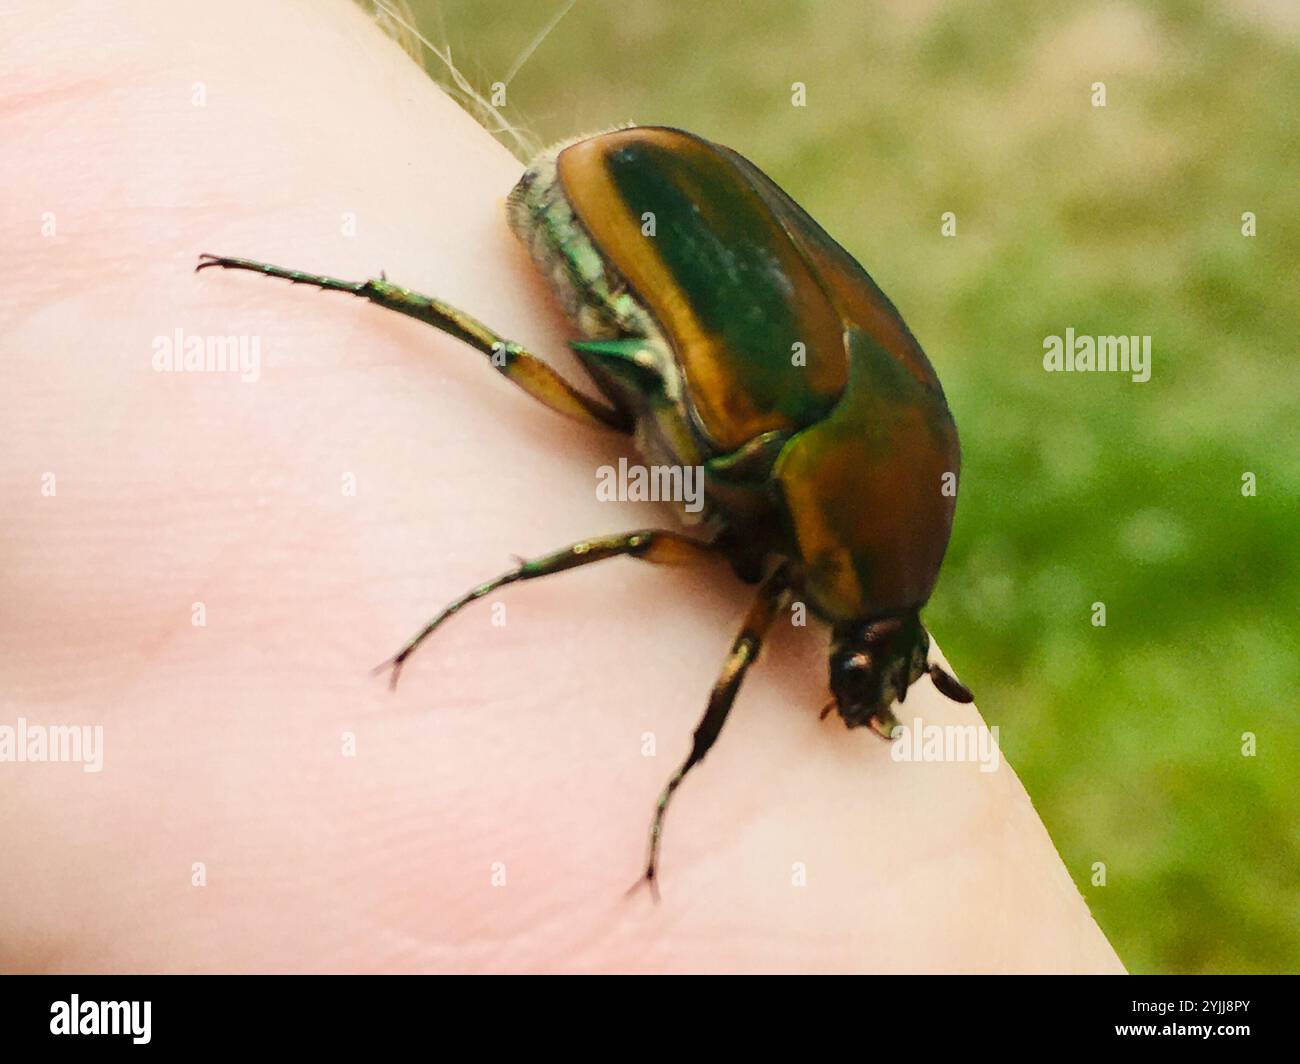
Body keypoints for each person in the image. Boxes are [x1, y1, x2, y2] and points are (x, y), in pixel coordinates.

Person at [0, 0, 1123, 973]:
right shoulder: (782, 467)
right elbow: (648, 556)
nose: (863, 673)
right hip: (607, 216)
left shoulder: (903, 455)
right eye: (879, 649)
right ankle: (350, 291)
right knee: (512, 368)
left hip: (671, 195)